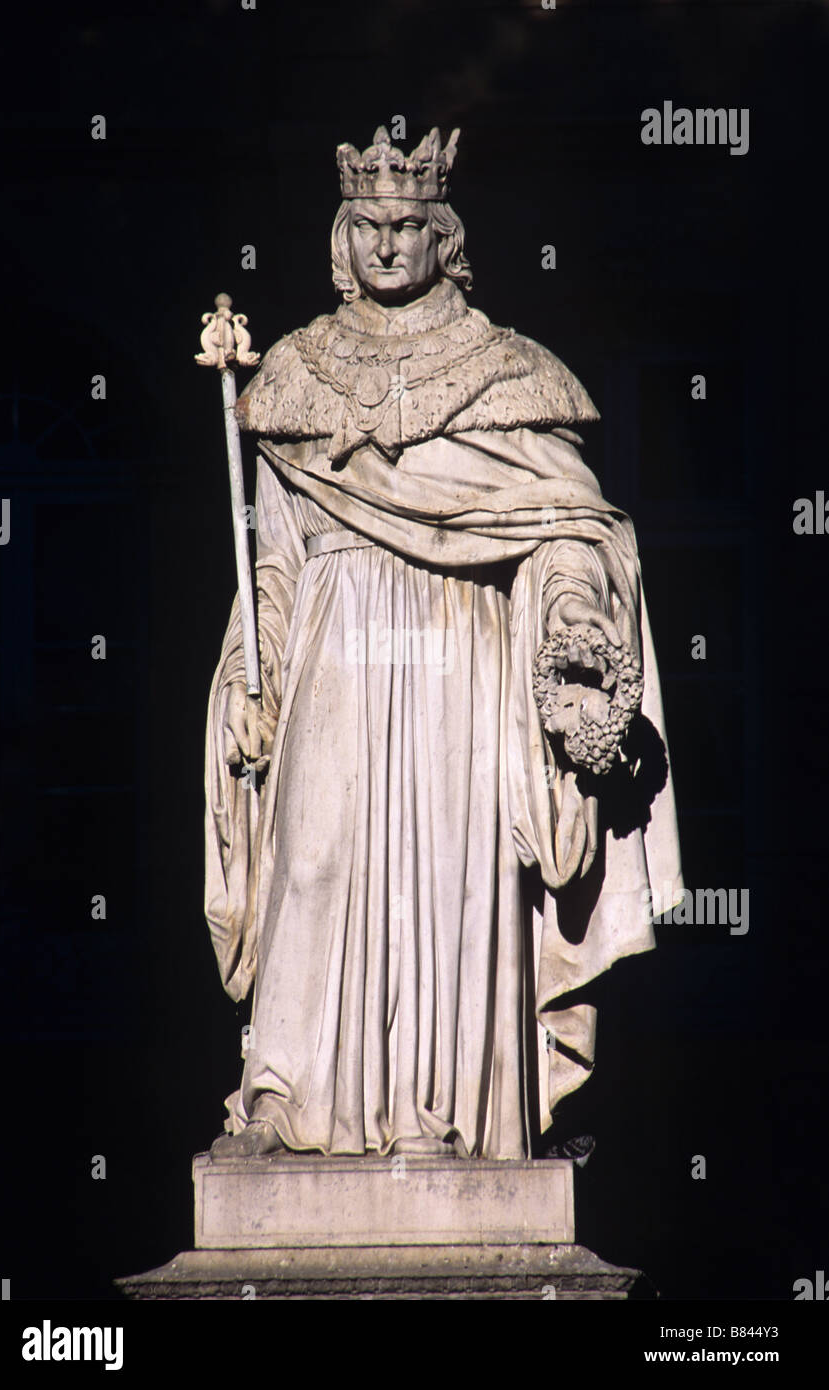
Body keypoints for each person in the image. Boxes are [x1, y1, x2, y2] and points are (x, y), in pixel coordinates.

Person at [204, 126, 682, 1160]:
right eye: (367, 225)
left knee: (447, 879)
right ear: (343, 235)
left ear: (441, 234)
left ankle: (449, 1113)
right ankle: (285, 1094)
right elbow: (272, 559)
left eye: (407, 225)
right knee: (313, 858)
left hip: (456, 656)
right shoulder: (288, 372)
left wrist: (568, 640)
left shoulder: (507, 371)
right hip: (335, 653)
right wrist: (258, 674)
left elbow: (568, 526)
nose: (385, 245)